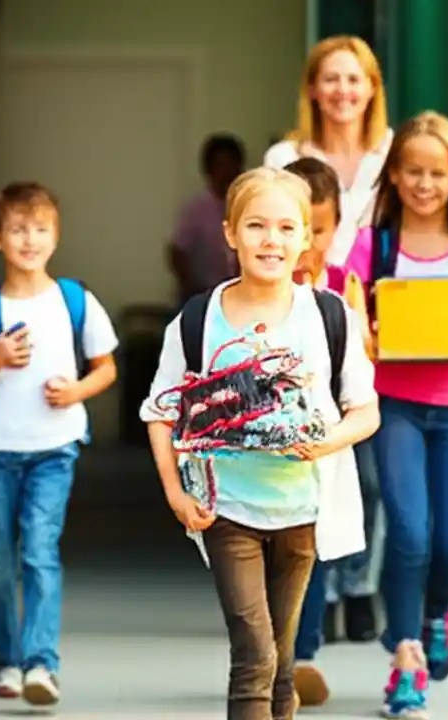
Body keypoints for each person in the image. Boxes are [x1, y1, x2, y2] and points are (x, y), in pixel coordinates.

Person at [141, 167, 379, 720]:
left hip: (301, 511)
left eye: (284, 228)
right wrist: (177, 495)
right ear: (229, 233)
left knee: (281, 658)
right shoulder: (198, 321)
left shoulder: (328, 316)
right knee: (254, 653)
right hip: (226, 509)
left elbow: (365, 411)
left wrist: (326, 442)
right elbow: (159, 412)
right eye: (255, 226)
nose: (270, 240)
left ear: (304, 238)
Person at [343, 112, 448, 718]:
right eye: (412, 171)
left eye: (436, 173)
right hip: (396, 406)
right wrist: (368, 333)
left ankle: (437, 612)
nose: (423, 183)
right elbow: (350, 316)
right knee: (409, 534)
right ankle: (407, 657)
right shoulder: (375, 245)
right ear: (393, 175)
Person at [0, 182, 119, 706]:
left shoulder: (74, 301)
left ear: (56, 237)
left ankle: (42, 663)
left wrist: (76, 391)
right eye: (18, 229)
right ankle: (7, 660)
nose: (30, 239)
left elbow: (106, 368)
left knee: (40, 552)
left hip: (54, 448)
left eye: (40, 228)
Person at [283, 157, 382, 709]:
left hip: (326, 444)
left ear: (334, 225)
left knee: (312, 547)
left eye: (315, 230)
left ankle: (303, 657)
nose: (303, 244)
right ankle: (272, 654)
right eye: (292, 227)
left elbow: (360, 362)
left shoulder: (345, 288)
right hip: (266, 447)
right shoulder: (257, 289)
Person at [264, 35, 392, 268]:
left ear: (372, 88)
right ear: (312, 89)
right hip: (309, 293)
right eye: (331, 79)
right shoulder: (283, 158)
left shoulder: (394, 153)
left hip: (383, 292)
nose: (343, 90)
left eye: (353, 80)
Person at [170, 133, 246, 303]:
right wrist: (192, 288)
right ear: (208, 170)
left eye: (232, 165)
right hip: (203, 296)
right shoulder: (195, 209)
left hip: (242, 297)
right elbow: (177, 252)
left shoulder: (249, 206)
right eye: (220, 165)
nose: (227, 172)